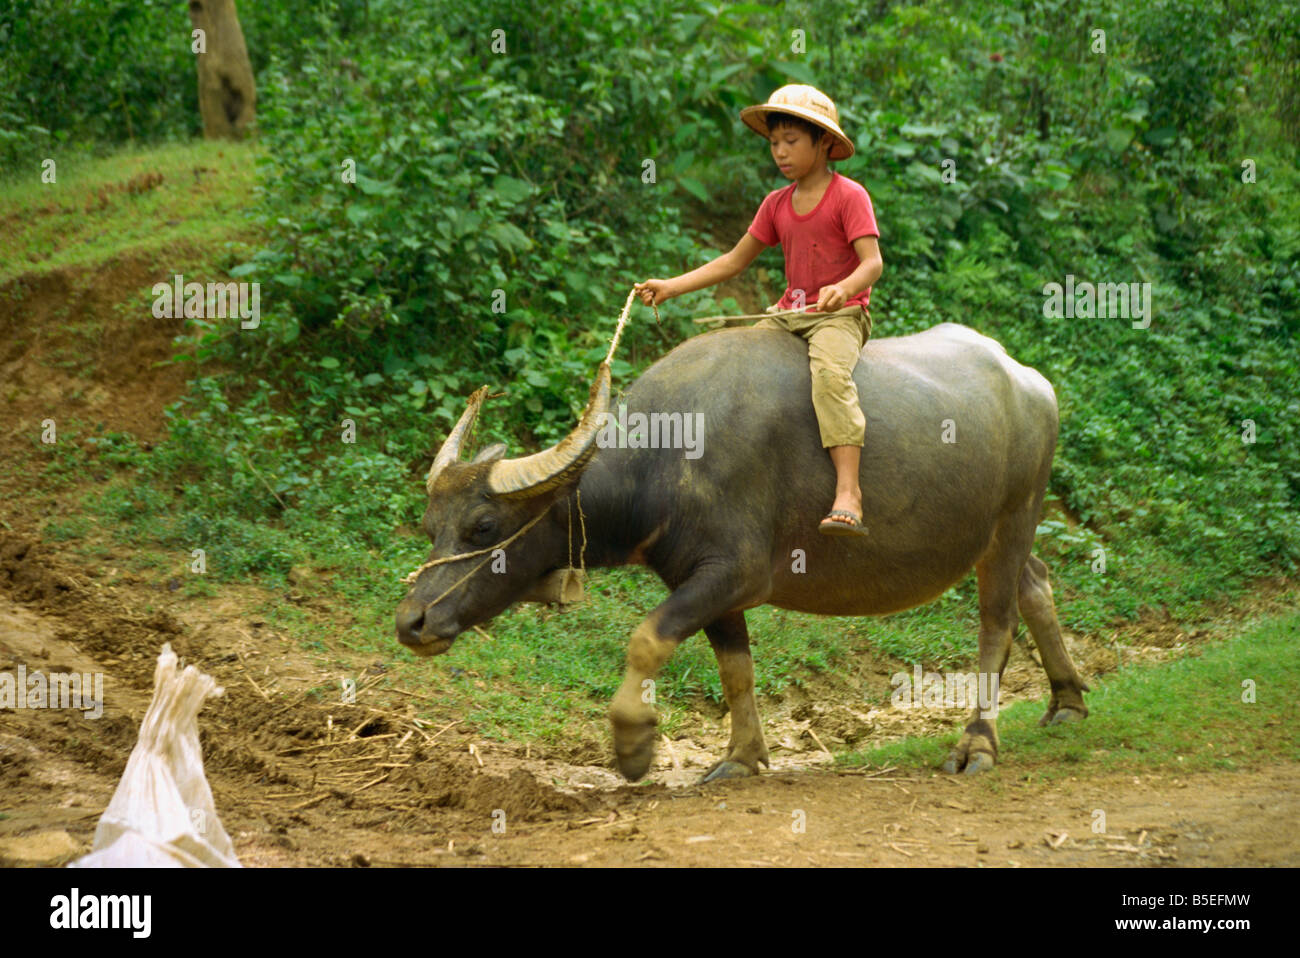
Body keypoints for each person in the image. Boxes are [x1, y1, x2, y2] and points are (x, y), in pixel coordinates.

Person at [635, 84, 883, 536]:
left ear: (824, 142)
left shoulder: (850, 196)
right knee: (735, 363)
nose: (780, 153)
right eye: (774, 143)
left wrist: (842, 288)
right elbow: (734, 260)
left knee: (830, 377)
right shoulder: (775, 204)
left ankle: (849, 492)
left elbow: (873, 264)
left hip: (839, 315)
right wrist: (671, 287)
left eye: (791, 141)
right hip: (790, 313)